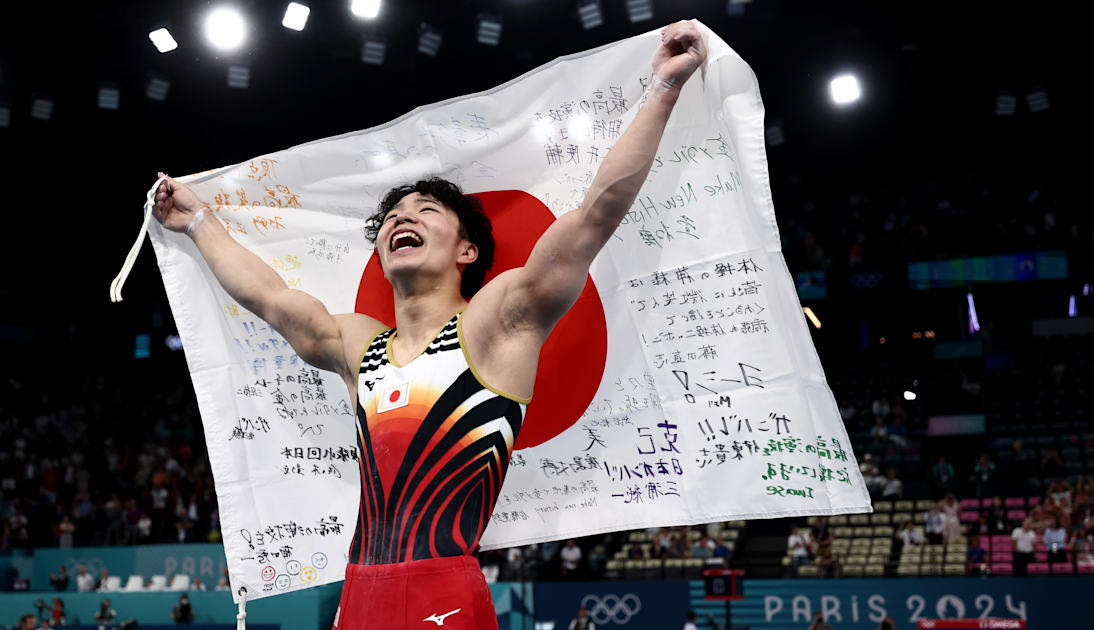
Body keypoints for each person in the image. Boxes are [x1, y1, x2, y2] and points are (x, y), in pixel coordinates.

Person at [153, 21, 708, 630]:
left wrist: (663, 88)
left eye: (424, 211)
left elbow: (594, 215)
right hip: (357, 594)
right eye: (392, 215)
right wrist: (198, 220)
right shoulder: (358, 342)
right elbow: (268, 295)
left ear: (467, 252)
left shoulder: (498, 323)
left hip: (444, 590)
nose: (401, 218)